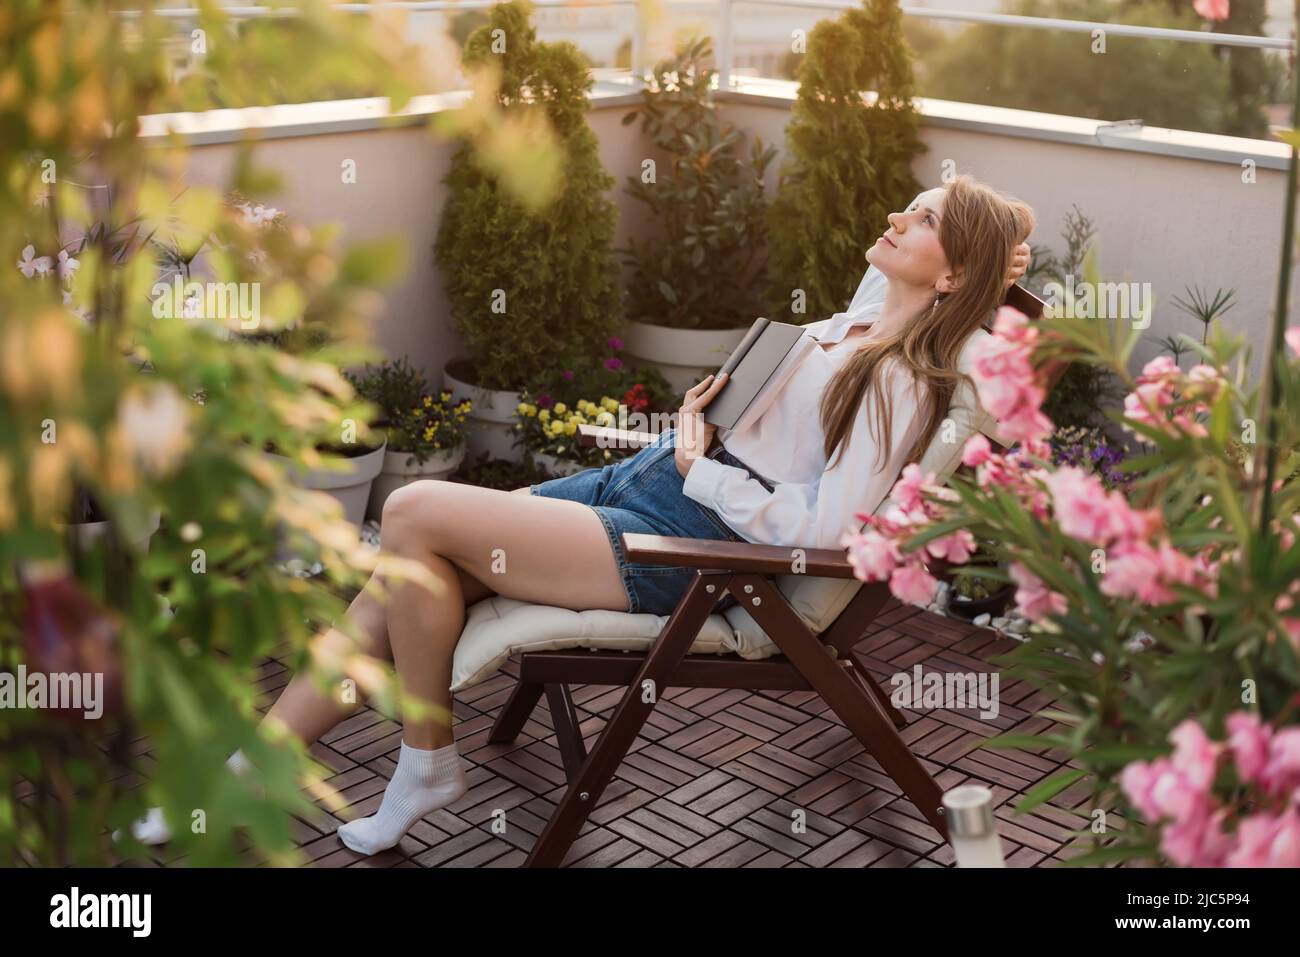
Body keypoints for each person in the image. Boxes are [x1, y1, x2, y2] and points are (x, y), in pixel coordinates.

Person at [125, 173, 1034, 856]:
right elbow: (952, 278)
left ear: (950, 272)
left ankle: (417, 759)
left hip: (690, 540)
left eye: (918, 220)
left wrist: (701, 472)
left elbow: (823, 533)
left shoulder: (901, 380)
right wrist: (999, 253)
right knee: (410, 566)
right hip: (654, 477)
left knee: (410, 513)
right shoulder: (865, 319)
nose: (893, 218)